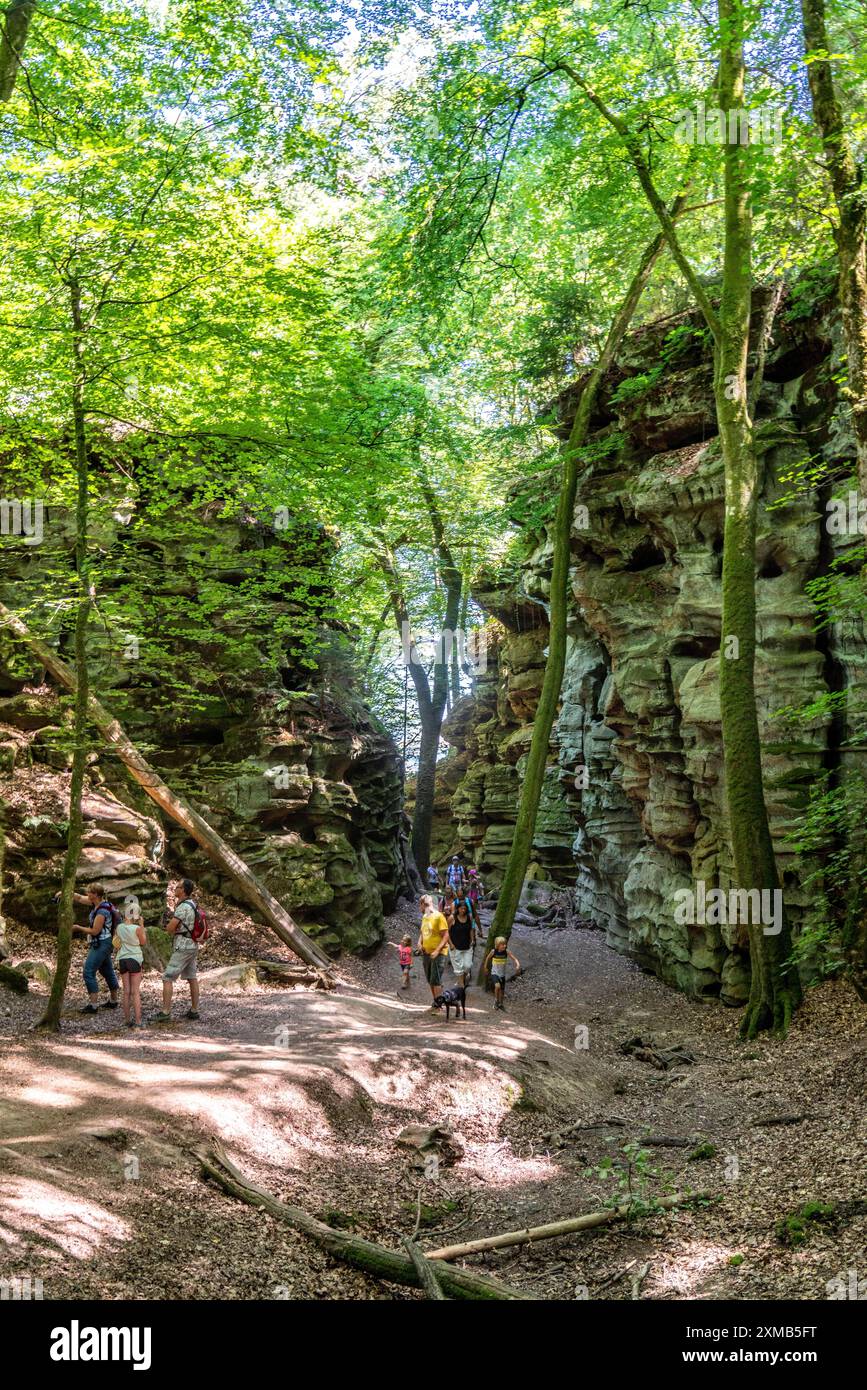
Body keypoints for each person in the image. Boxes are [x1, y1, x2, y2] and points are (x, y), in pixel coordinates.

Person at [63, 883, 120, 1014]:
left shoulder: (102, 911)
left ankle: (93, 1005)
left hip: (102, 943)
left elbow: (94, 931)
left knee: (88, 971)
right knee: (107, 971)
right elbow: (78, 898)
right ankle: (113, 1001)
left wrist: (77, 927)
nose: (87, 894)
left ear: (95, 895)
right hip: (104, 943)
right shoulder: (100, 904)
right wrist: (63, 892)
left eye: (89, 892)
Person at [150, 878, 201, 1023]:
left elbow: (171, 928)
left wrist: (169, 928)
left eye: (178, 887)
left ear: (183, 890)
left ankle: (165, 1012)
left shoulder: (183, 907)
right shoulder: (193, 904)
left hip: (183, 946)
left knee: (167, 977)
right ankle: (194, 1010)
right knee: (192, 977)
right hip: (192, 945)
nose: (175, 889)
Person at [116, 898, 147, 1029]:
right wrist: (142, 925)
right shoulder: (137, 928)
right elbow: (143, 942)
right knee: (135, 992)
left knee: (126, 991)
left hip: (122, 959)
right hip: (134, 959)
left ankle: (127, 1020)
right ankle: (138, 1021)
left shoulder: (119, 927)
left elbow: (117, 942)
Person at [416, 894, 450, 1011]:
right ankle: (436, 1001)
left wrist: (437, 951)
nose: (419, 908)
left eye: (419, 905)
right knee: (430, 979)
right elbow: (422, 932)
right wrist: (419, 942)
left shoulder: (439, 916)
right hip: (426, 953)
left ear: (423, 904)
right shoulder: (425, 917)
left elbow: (446, 936)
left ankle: (439, 1006)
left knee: (435, 980)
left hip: (438, 954)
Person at [483, 936, 521, 1011]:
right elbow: (487, 958)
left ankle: (501, 1004)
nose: (505, 946)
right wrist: (485, 967)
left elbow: (515, 959)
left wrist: (518, 965)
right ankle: (496, 1001)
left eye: (505, 944)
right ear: (497, 945)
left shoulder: (506, 952)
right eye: (502, 944)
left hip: (502, 974)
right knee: (497, 986)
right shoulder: (493, 951)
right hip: (494, 973)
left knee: (502, 991)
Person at [447, 893, 476, 990]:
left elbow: (471, 929)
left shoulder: (469, 918)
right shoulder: (452, 918)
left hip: (467, 946)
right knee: (458, 968)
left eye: (464, 909)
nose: (463, 910)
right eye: (461, 908)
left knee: (467, 966)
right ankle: (461, 987)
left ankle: (460, 980)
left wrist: (472, 940)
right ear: (457, 909)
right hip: (455, 946)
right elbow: (446, 932)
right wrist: (450, 944)